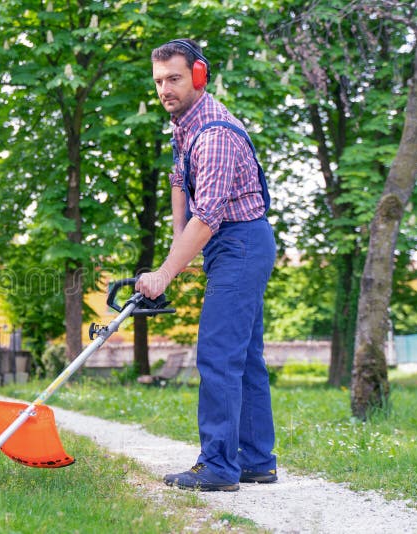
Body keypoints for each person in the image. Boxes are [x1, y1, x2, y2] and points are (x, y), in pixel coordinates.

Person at [135, 38, 278, 492]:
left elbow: (208, 217)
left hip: (239, 244)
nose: (164, 89)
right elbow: (180, 182)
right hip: (229, 244)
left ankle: (218, 465)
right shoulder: (184, 124)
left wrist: (164, 273)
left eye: (174, 78)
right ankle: (256, 460)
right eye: (158, 81)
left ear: (199, 75)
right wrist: (174, 252)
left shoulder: (214, 135)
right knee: (246, 358)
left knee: (217, 354)